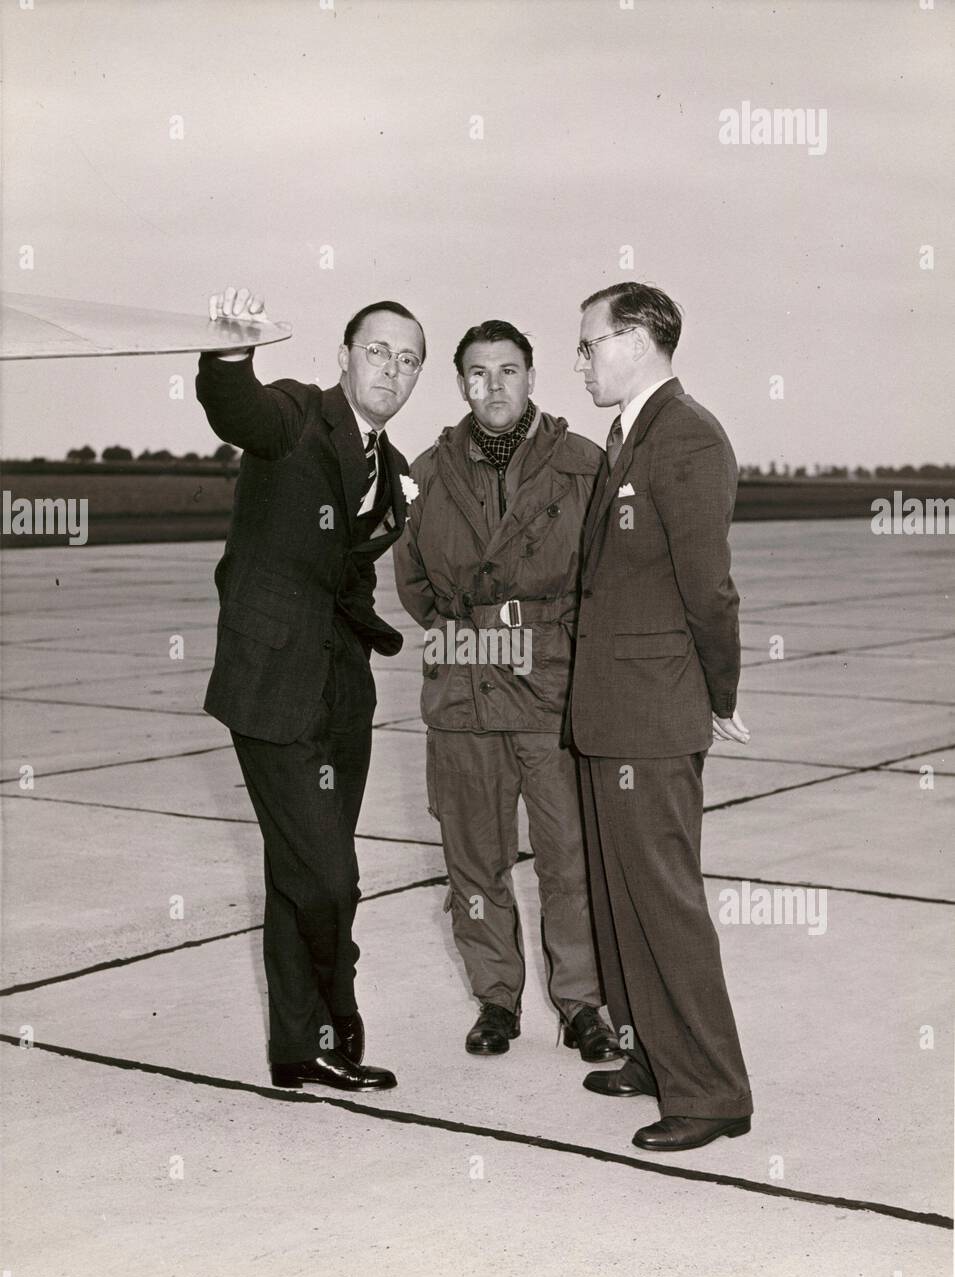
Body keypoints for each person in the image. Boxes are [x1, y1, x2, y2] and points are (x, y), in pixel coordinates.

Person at [196, 287, 426, 1092]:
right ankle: (340, 1011)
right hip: (269, 687)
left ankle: (298, 1050)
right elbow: (238, 411)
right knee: (329, 877)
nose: (389, 370)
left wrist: (377, 632)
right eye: (376, 351)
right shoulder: (298, 415)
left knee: (297, 872)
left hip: (341, 694)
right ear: (343, 356)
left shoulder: (392, 473)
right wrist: (230, 352)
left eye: (407, 360)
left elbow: (344, 575)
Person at [393, 319, 620, 1063]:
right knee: (474, 862)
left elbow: (603, 581)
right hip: (461, 692)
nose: (494, 386)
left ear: (531, 377)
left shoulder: (583, 466)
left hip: (548, 690)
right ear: (460, 382)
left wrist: (536, 638)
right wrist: (477, 633)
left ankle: (581, 1003)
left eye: (508, 371)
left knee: (567, 857)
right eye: (478, 373)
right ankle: (496, 998)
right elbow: (416, 586)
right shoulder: (424, 472)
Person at [568, 282, 754, 1151]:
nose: (582, 361)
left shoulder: (686, 438)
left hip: (651, 711)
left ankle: (712, 1090)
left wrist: (719, 695)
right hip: (614, 710)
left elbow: (709, 589)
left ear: (637, 340)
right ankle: (653, 1052)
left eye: (590, 343)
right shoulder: (630, 435)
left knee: (663, 902)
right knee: (619, 899)